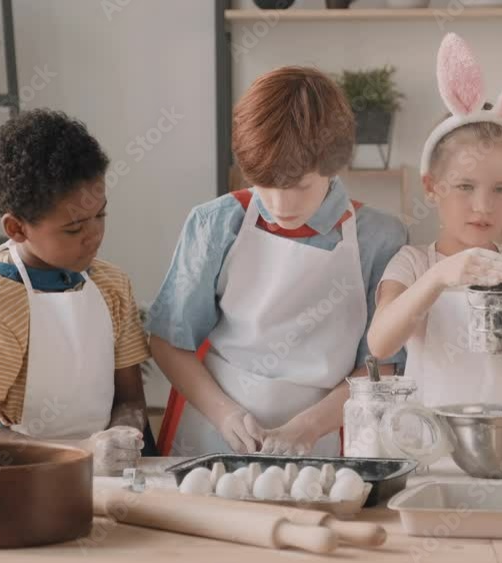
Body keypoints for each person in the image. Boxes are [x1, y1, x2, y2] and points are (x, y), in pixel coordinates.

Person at [148, 67, 408, 457]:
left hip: (322, 440)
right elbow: (169, 341)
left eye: (300, 185)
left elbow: (379, 368)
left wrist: (306, 428)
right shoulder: (216, 222)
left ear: (334, 164)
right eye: (265, 184)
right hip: (211, 431)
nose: (281, 205)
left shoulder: (380, 237)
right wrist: (226, 416)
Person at [367, 33, 502, 408]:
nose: (483, 206)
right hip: (437, 445)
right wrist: (439, 276)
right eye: (465, 186)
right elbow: (380, 342)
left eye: (500, 189)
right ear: (432, 186)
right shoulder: (414, 263)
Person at [0, 109, 153, 475]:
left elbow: (130, 398)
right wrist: (82, 451)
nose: (94, 235)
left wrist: (124, 436)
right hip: (15, 482)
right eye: (74, 228)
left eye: (100, 216)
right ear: (17, 228)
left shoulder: (112, 285)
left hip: (106, 479)